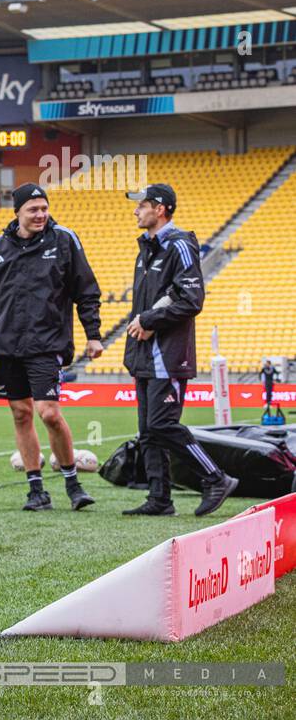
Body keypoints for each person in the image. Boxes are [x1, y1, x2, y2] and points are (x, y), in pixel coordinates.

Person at [0, 183, 102, 512]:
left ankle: (72, 483)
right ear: (17, 212)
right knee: (21, 414)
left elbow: (86, 290)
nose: (40, 214)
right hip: (6, 346)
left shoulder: (63, 241)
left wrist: (94, 334)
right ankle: (36, 490)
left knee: (49, 413)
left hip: (47, 344)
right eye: (33, 210)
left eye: (44, 208)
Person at [122, 183, 238, 516]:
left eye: (141, 205)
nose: (135, 211)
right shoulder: (147, 247)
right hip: (146, 353)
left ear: (160, 209)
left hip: (168, 353)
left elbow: (191, 300)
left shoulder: (180, 245)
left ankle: (216, 477)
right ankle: (160, 499)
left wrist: (148, 319)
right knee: (147, 432)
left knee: (161, 424)